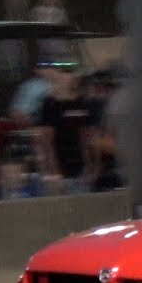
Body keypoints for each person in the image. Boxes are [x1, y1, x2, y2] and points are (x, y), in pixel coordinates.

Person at [37, 66, 98, 194]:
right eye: (65, 73)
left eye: (71, 73)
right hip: (61, 172)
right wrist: (53, 173)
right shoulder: (50, 104)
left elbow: (88, 137)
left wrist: (93, 167)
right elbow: (46, 141)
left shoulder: (82, 103)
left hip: (81, 172)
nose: (69, 77)